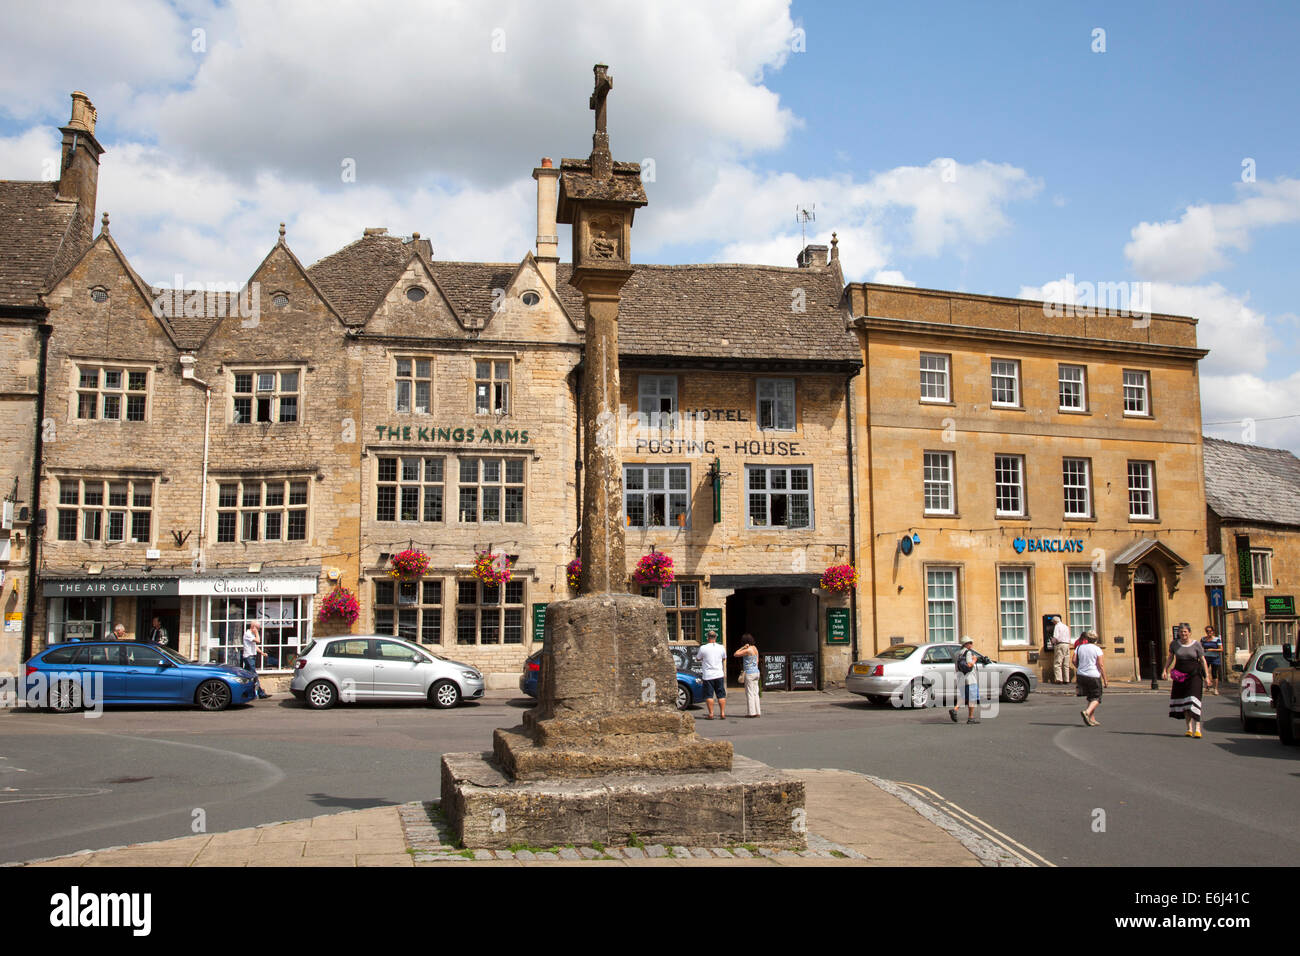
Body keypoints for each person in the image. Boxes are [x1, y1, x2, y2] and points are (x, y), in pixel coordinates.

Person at [1163, 623, 1209, 737]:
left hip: (1195, 675)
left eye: (1185, 632)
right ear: (1178, 633)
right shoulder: (1174, 644)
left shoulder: (1196, 644)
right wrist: (1164, 670)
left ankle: (1197, 728)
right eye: (1181, 632)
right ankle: (1189, 728)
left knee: (1193, 699)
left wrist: (1207, 676)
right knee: (1184, 701)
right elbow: (1170, 657)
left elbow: (1203, 660)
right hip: (1180, 675)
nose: (1183, 634)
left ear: (1189, 632)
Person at [1073, 632, 1107, 726]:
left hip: (1081, 675)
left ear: (1087, 638)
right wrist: (1105, 679)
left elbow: (1074, 661)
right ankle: (1087, 712)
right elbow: (1100, 665)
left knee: (1090, 697)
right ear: (1096, 639)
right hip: (1093, 675)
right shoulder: (1097, 649)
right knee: (1097, 697)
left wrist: (1080, 668)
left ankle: (1091, 719)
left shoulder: (1079, 647)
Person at [949, 637, 981, 724]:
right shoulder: (968, 652)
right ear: (966, 644)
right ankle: (970, 718)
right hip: (970, 678)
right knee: (972, 698)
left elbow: (956, 666)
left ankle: (955, 709)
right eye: (970, 642)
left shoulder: (957, 653)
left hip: (960, 677)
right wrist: (974, 660)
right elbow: (969, 664)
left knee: (963, 696)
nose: (971, 644)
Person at [696, 629, 727, 720]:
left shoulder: (703, 648)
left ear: (707, 637)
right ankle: (722, 713)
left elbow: (698, 658)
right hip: (719, 674)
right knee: (721, 694)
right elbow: (724, 658)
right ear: (716, 637)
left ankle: (711, 714)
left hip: (708, 675)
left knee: (709, 695)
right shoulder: (721, 647)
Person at [732, 634, 761, 718]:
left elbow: (735, 654)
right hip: (756, 672)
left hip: (749, 673)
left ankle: (751, 713)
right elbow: (757, 660)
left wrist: (743, 647)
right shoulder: (755, 648)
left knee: (749, 693)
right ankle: (757, 711)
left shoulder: (747, 650)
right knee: (756, 692)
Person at [242, 620, 271, 700]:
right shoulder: (247, 634)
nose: (258, 630)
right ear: (253, 627)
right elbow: (258, 641)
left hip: (250, 657)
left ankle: (247, 693)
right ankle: (261, 693)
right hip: (249, 657)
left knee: (247, 677)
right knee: (254, 676)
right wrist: (257, 633)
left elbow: (254, 646)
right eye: (258, 628)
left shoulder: (250, 634)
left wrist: (262, 653)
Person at [1051, 615, 1073, 683]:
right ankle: (1066, 679)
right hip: (1067, 644)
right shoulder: (1066, 626)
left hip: (1060, 644)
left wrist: (1052, 642)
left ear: (1055, 621)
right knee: (1066, 663)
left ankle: (1059, 679)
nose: (1053, 623)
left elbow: (1056, 637)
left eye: (1053, 622)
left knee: (1057, 663)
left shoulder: (1057, 626)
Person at [1202, 625, 1223, 695]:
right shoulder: (1203, 639)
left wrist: (1212, 649)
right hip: (1206, 658)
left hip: (1215, 658)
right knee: (1204, 672)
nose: (1208, 632)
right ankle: (1207, 686)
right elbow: (1200, 647)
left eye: (1210, 631)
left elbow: (1221, 649)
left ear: (1213, 632)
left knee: (1214, 674)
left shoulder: (1217, 639)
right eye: (1207, 631)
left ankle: (1215, 689)